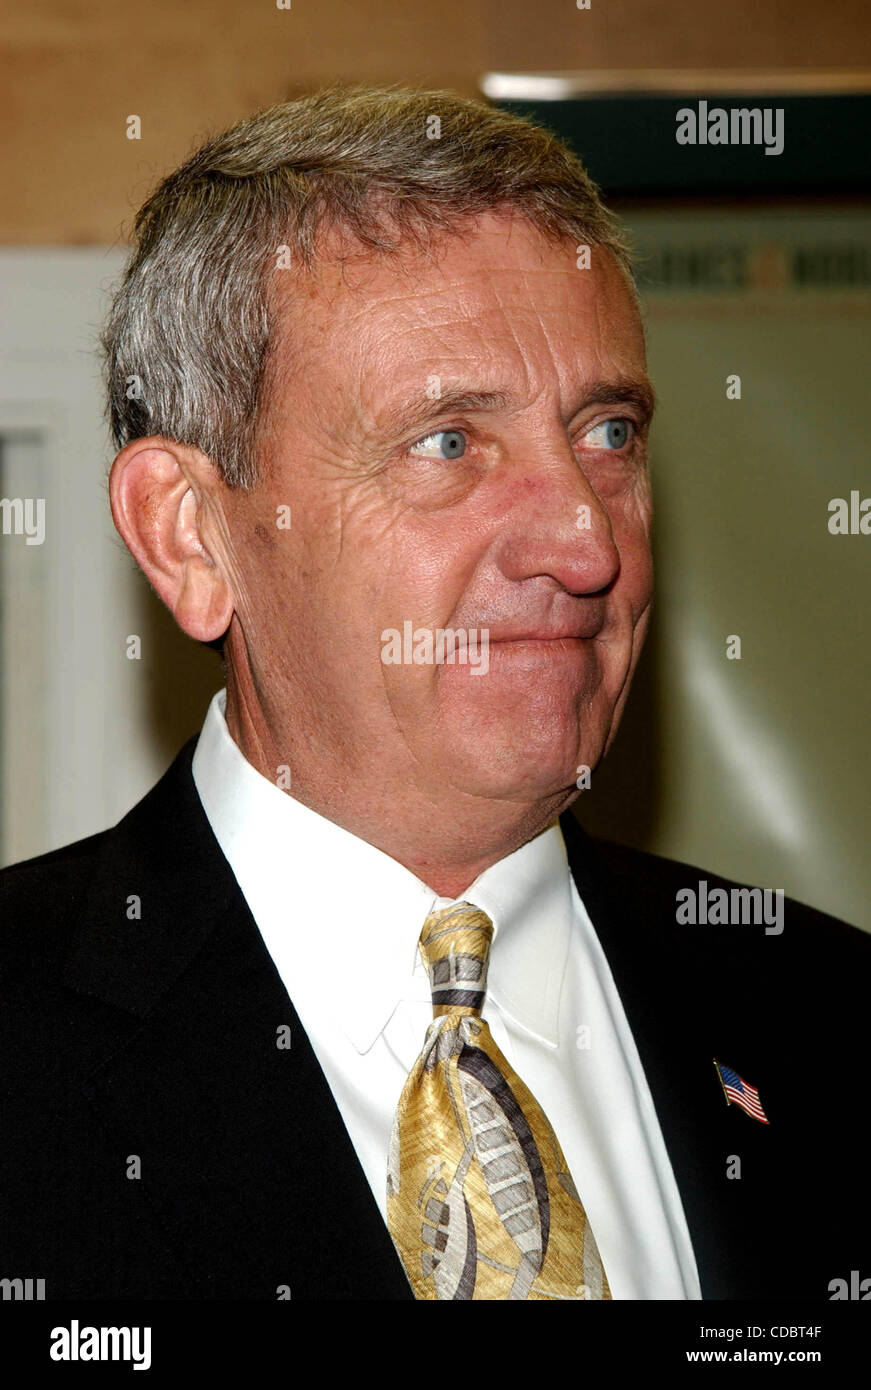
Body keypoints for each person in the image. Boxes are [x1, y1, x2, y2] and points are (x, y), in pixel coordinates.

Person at [0, 85, 866, 1302]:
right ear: (192, 535)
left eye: (608, 433)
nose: (583, 541)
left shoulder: (831, 1018)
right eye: (448, 443)